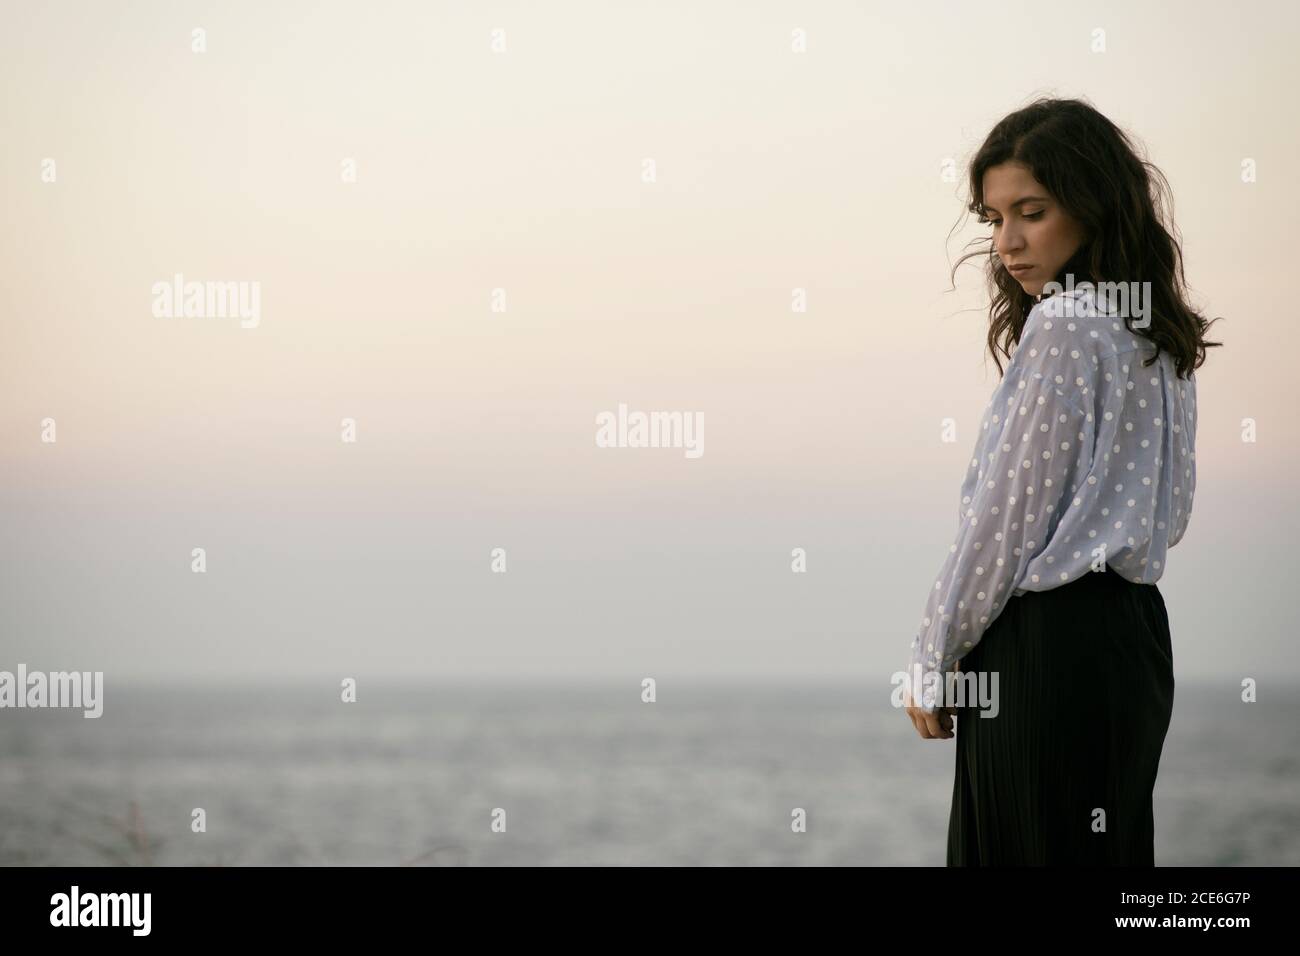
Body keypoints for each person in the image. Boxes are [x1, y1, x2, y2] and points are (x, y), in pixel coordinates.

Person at [902, 97, 1223, 865]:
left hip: (1044, 651)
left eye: (1032, 212)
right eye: (993, 218)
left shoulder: (1068, 323)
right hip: (1135, 643)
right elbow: (1169, 515)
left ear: (1092, 203)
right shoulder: (1158, 333)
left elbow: (1004, 524)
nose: (1007, 243)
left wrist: (932, 654)